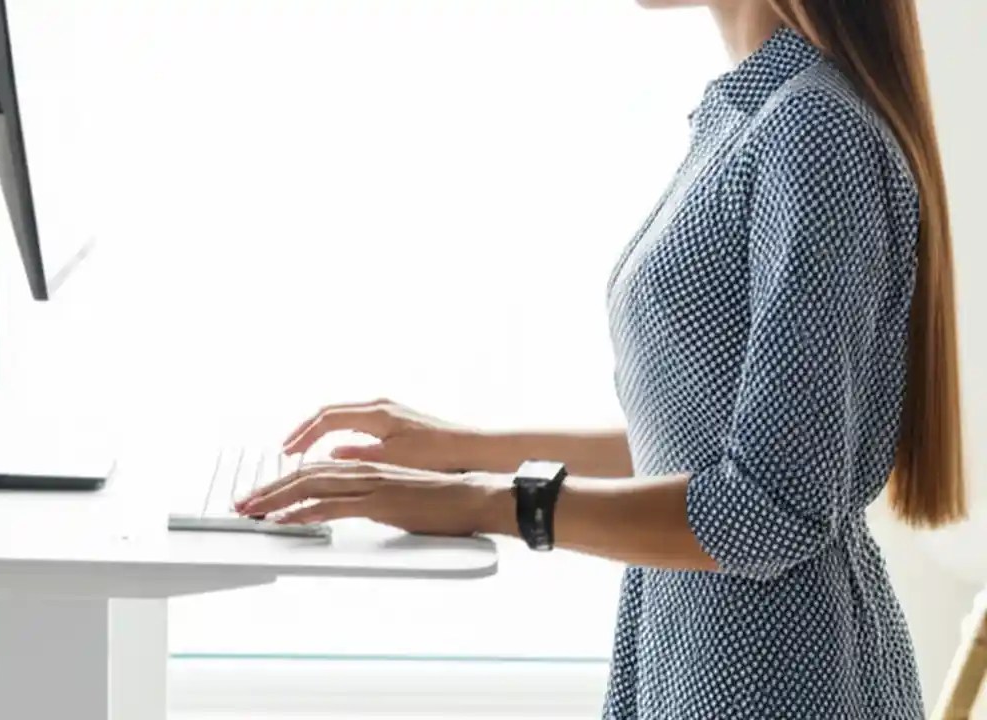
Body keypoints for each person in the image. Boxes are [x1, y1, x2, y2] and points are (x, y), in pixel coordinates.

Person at [236, 0, 965, 717]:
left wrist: (489, 503)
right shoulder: (759, 114)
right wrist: (464, 452)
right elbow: (698, 442)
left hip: (773, 673)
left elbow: (769, 507)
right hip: (702, 649)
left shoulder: (815, 131)